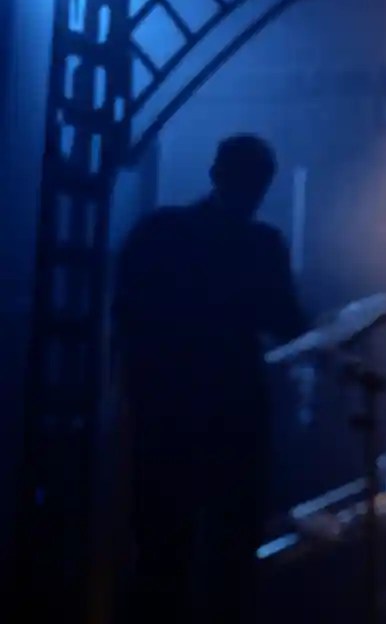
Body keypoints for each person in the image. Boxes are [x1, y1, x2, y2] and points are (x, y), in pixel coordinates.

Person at [112, 134, 311, 623]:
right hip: (231, 418)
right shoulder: (261, 245)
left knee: (163, 552)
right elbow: (287, 321)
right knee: (226, 557)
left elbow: (126, 320)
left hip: (167, 417)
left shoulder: (160, 232)